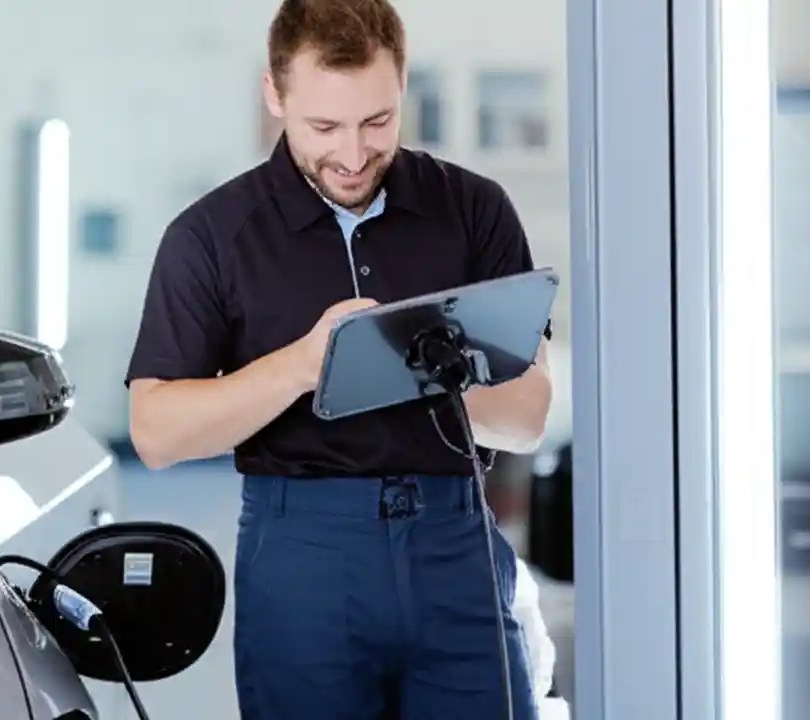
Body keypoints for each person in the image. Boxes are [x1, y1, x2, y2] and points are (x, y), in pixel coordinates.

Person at [123, 0, 554, 717]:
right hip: (304, 559)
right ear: (275, 94)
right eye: (324, 127)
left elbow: (527, 421)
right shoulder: (211, 238)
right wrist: (301, 364)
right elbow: (156, 432)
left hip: (454, 546)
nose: (353, 155)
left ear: (402, 89)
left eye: (377, 122)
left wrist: (420, 363)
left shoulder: (475, 212)